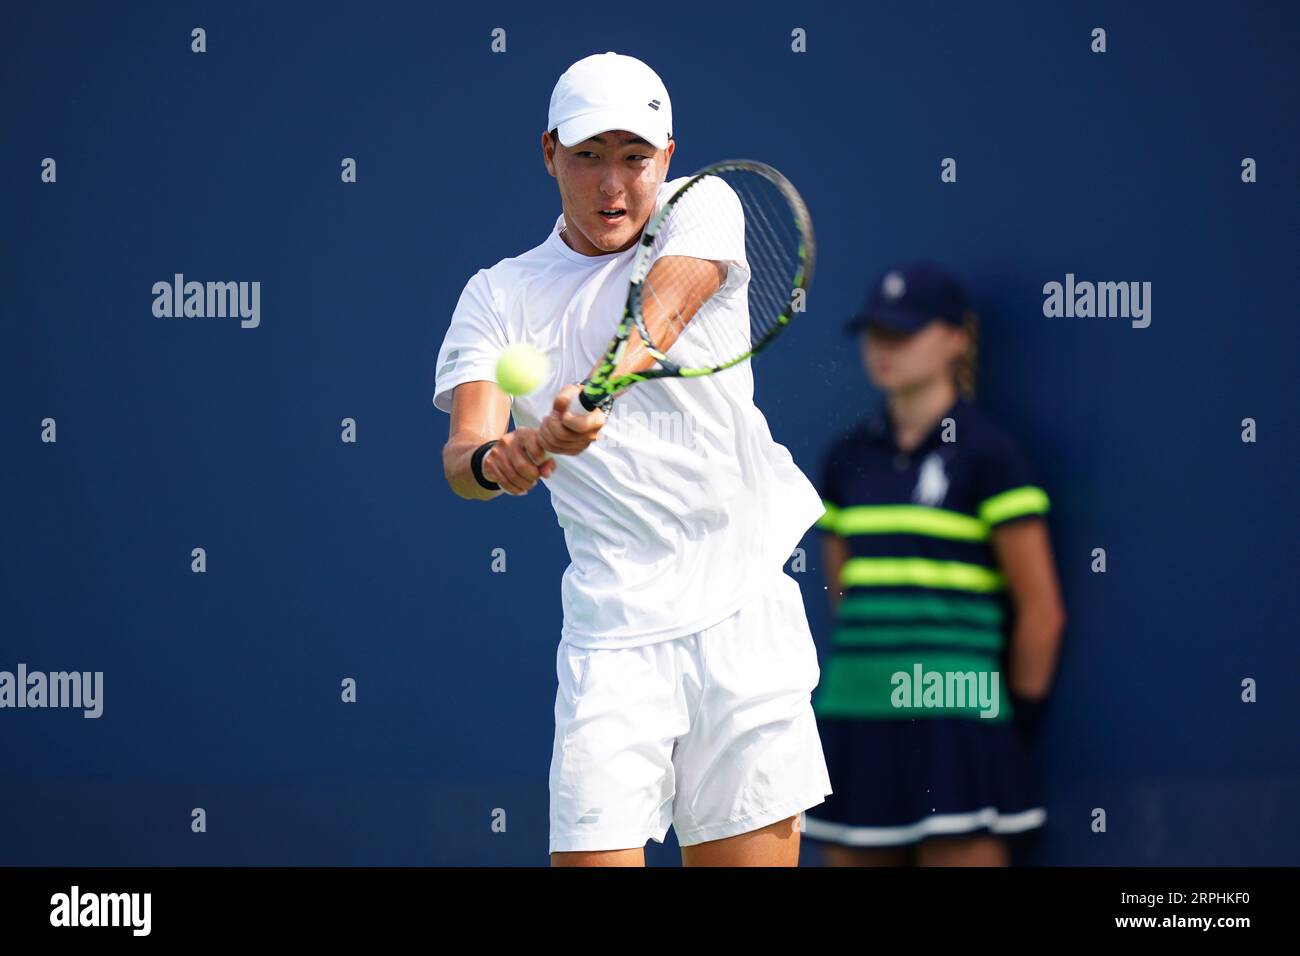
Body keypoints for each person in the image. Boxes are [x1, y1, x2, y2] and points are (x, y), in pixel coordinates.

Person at [432, 51, 832, 866]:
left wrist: (592, 394)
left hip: (742, 612)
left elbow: (663, 314)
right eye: (587, 157)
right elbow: (463, 453)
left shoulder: (705, 205)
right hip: (613, 642)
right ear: (549, 154)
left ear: (669, 158)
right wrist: (503, 459)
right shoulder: (497, 294)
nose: (613, 186)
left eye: (634, 157)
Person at [803, 262, 1066, 866]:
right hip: (856, 714)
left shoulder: (991, 454)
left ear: (956, 339)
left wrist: (1008, 725)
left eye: (905, 332)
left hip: (960, 718)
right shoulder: (845, 459)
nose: (885, 348)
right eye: (876, 333)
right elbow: (844, 595)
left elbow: (1041, 612)